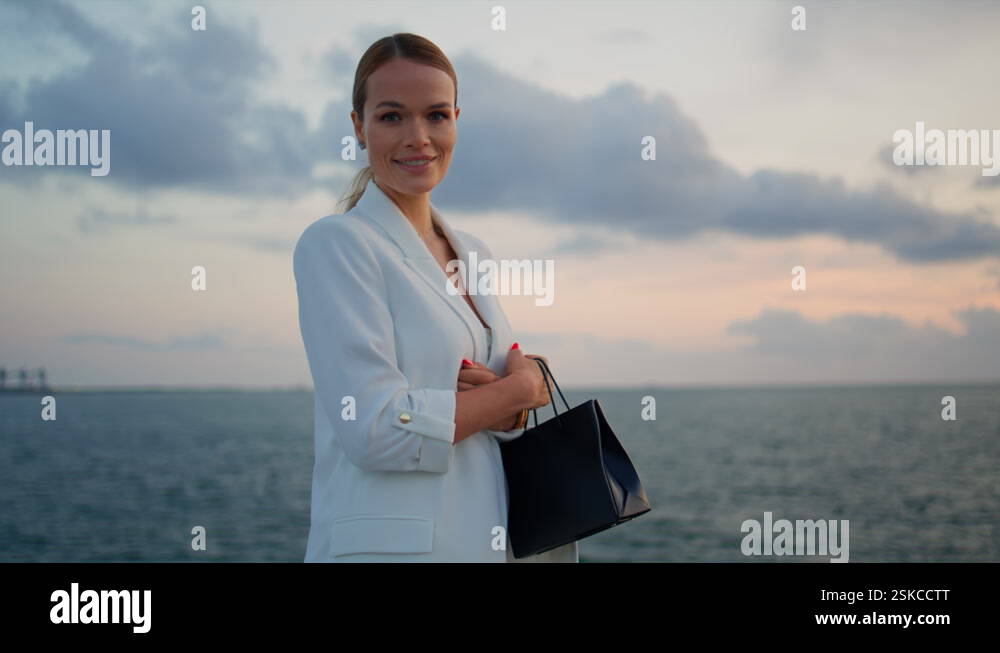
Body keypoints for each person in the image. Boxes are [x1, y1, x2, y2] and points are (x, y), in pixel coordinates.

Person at [294, 33, 578, 562]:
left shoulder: (474, 251)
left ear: (456, 120)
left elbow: (504, 409)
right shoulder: (337, 244)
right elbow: (376, 429)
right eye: (392, 116)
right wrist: (515, 393)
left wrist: (509, 407)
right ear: (358, 127)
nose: (418, 137)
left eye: (437, 115)